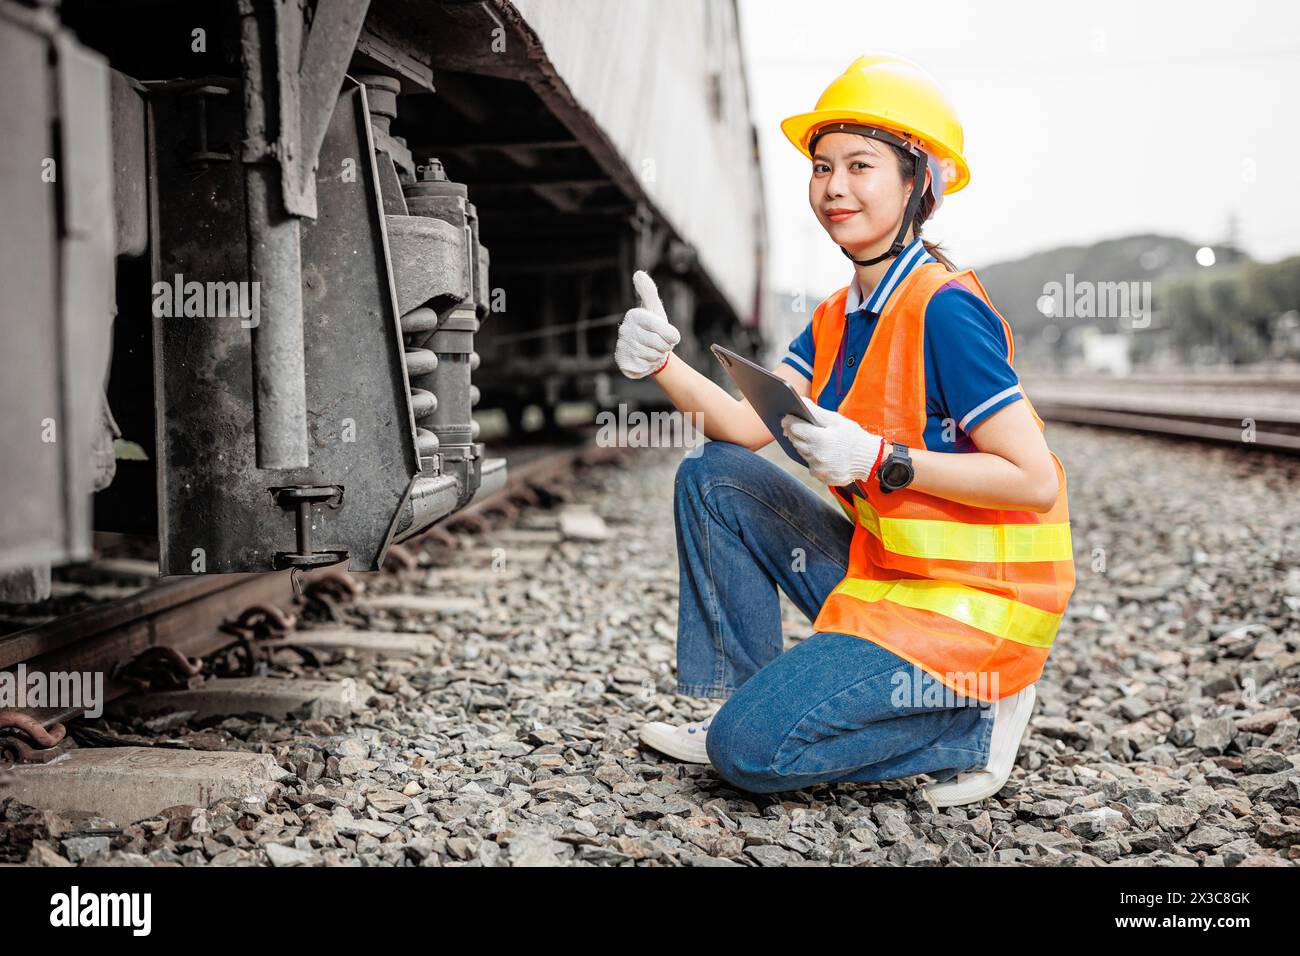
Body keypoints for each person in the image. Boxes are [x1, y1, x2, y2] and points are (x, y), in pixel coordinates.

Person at [613, 54, 1076, 808]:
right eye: (822, 166)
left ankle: (975, 722)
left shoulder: (945, 308)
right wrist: (662, 361)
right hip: (888, 578)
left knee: (748, 755)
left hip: (970, 611)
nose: (833, 187)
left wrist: (883, 460)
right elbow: (740, 429)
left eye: (861, 166)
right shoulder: (837, 315)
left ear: (917, 182)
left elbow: (1034, 479)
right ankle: (740, 697)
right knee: (713, 474)